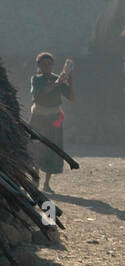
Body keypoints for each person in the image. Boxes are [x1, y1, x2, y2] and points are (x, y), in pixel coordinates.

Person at [29, 52, 72, 191]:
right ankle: (35, 179)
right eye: (44, 64)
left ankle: (47, 184)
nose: (47, 66)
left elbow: (69, 94)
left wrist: (67, 78)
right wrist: (57, 83)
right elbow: (41, 93)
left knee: (52, 148)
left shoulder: (57, 79)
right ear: (39, 66)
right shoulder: (36, 79)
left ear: (53, 65)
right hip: (39, 117)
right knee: (36, 148)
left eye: (49, 64)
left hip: (54, 117)